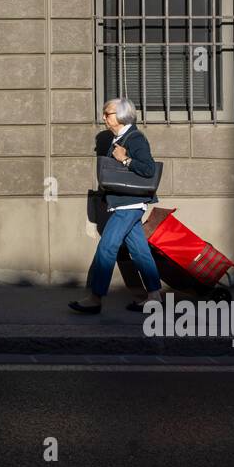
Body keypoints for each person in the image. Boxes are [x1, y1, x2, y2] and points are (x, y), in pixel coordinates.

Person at [68, 97, 163, 315]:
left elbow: (148, 169)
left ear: (121, 115)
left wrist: (125, 159)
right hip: (124, 203)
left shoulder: (135, 138)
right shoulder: (119, 137)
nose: (104, 117)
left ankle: (95, 297)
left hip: (128, 204)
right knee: (140, 252)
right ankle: (154, 296)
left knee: (107, 248)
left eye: (107, 113)